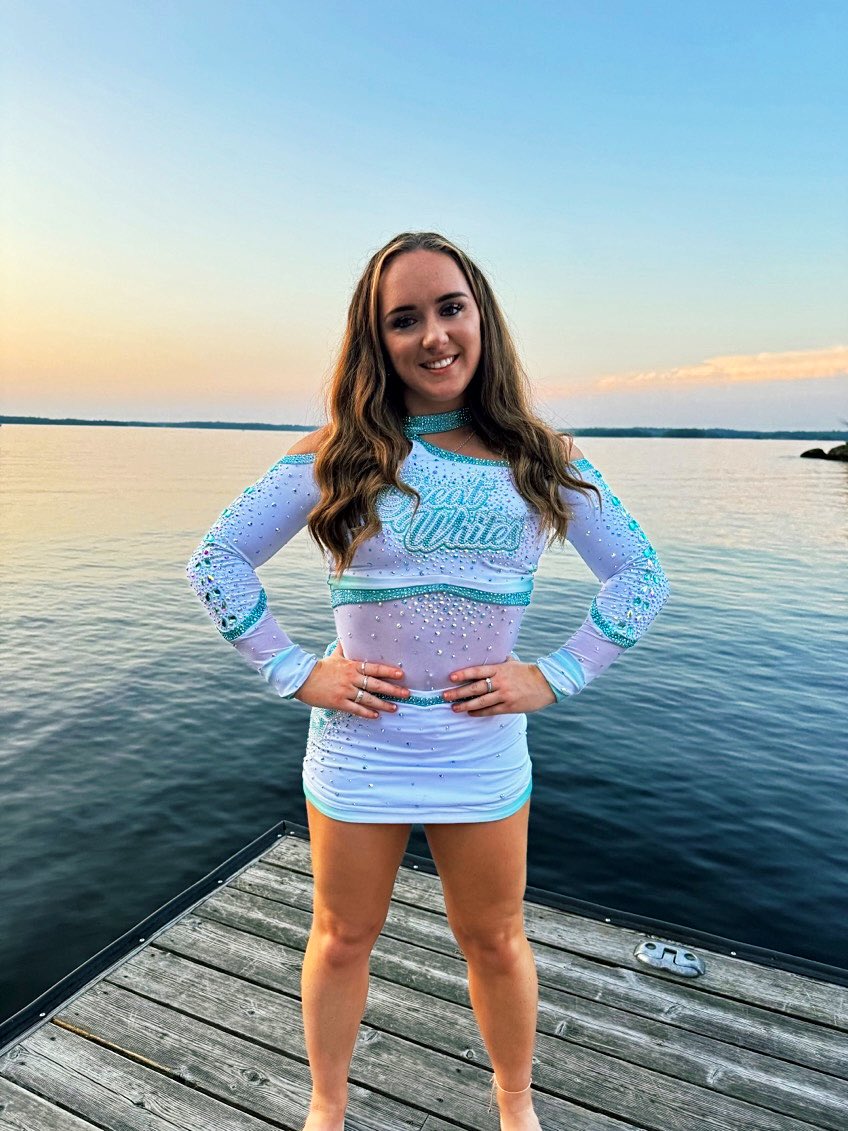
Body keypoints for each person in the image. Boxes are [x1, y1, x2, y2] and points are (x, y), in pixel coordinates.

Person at [186, 231, 671, 1131]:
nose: (434, 335)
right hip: (359, 747)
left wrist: (557, 674)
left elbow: (640, 574)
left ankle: (515, 1107)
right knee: (341, 937)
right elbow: (217, 559)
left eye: (450, 308)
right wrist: (295, 670)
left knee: (495, 938)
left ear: (481, 315)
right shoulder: (338, 453)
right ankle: (327, 1109)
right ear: (377, 339)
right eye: (403, 319)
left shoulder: (540, 457)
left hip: (480, 747)